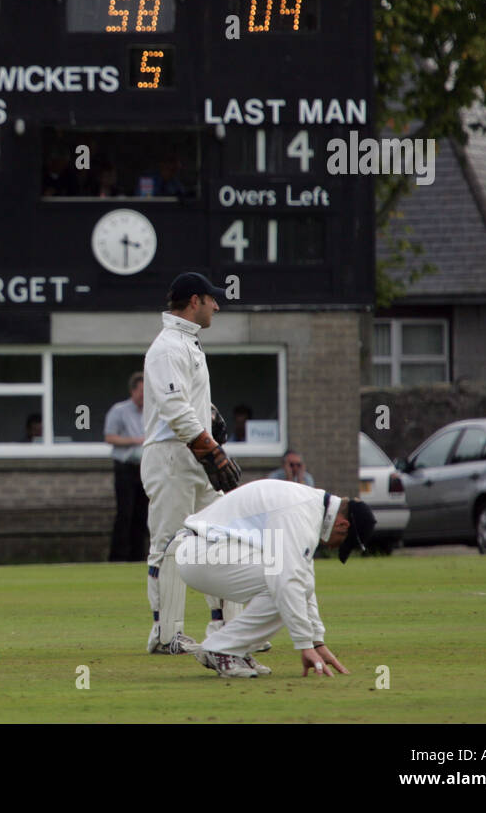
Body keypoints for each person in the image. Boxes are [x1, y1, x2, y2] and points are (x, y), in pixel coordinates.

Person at [158, 478, 376, 678]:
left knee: (292, 581)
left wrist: (316, 640)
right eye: (342, 542)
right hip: (201, 552)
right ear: (342, 525)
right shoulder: (298, 510)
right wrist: (304, 644)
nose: (334, 547)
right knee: (283, 584)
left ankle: (232, 649)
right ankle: (221, 649)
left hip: (204, 550)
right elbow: (288, 582)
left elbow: (302, 578)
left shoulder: (309, 506)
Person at [141, 272, 245, 655]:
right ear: (195, 301)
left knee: (220, 538)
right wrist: (210, 448)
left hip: (191, 455)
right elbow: (172, 406)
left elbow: (185, 399)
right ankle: (166, 635)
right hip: (171, 456)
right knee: (170, 545)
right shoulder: (167, 346)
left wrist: (210, 417)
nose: (217, 306)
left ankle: (228, 630)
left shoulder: (187, 343)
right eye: (212, 300)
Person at [104, 373, 147, 562]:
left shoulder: (152, 412)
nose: (144, 396)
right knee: (125, 513)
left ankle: (138, 556)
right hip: (125, 468)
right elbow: (110, 437)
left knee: (142, 514)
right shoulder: (119, 411)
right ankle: (118, 557)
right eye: (142, 391)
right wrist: (135, 441)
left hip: (144, 468)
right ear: (133, 390)